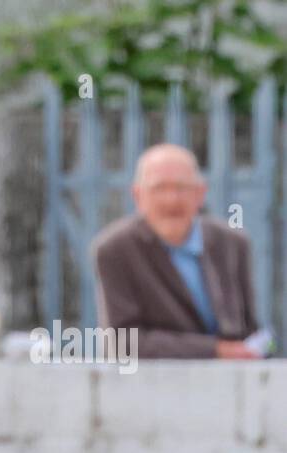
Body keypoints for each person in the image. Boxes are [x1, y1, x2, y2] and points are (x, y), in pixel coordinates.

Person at [92, 143, 266, 360]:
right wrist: (215, 350)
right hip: (153, 386)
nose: (171, 199)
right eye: (159, 188)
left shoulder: (232, 243)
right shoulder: (115, 250)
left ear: (200, 193)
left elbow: (248, 328)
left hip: (229, 384)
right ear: (138, 195)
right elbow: (123, 342)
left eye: (181, 187)